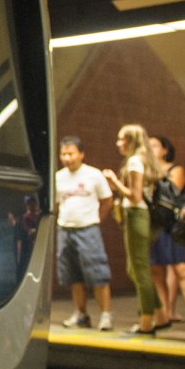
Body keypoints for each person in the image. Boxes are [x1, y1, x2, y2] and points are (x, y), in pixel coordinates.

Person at [103, 124, 163, 334]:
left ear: (130, 141)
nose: (118, 143)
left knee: (140, 268)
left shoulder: (135, 161)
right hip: (135, 214)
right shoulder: (139, 160)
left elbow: (135, 195)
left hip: (137, 214)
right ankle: (161, 314)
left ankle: (146, 320)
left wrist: (114, 181)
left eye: (121, 139)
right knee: (134, 268)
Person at [56, 136, 114, 330]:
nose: (67, 158)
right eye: (63, 154)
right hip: (65, 229)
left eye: (71, 153)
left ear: (81, 154)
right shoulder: (59, 177)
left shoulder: (93, 175)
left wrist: (96, 220)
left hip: (88, 229)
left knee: (97, 272)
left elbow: (107, 200)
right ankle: (81, 314)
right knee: (73, 275)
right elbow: (56, 203)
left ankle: (105, 315)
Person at [148, 134, 185, 332]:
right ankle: (163, 315)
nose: (150, 149)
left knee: (182, 269)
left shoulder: (175, 170)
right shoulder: (145, 171)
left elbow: (172, 191)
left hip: (175, 226)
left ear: (165, 150)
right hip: (156, 225)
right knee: (157, 271)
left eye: (154, 146)